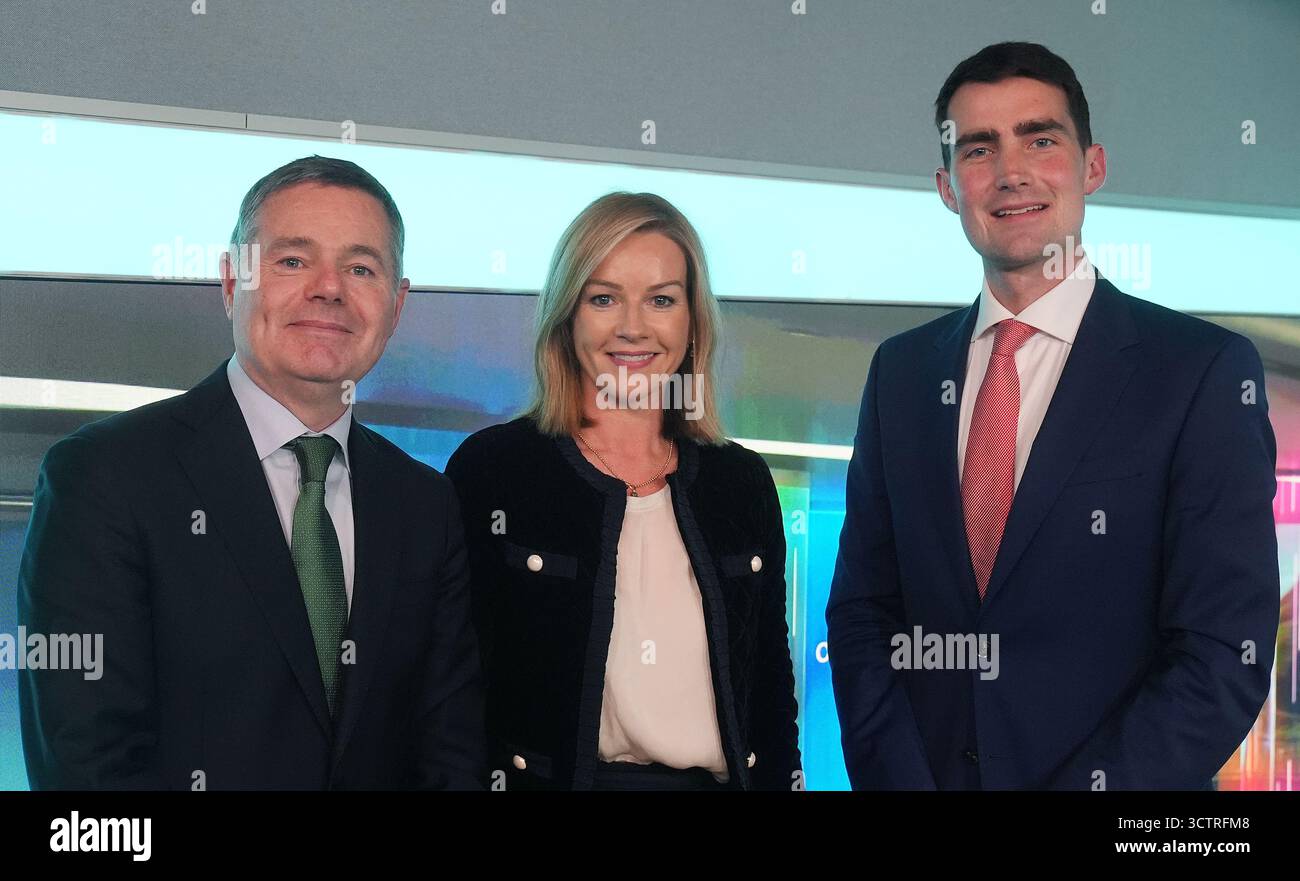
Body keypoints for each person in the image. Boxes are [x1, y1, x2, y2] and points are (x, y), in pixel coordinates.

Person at [827, 42, 1279, 790]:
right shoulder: (902, 375)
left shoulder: (1199, 371)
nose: (1011, 173)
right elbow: (863, 617)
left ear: (1092, 165)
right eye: (979, 149)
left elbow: (1219, 653)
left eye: (1041, 139)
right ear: (946, 186)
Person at [19, 156, 485, 789]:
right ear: (230, 282)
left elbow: (449, 753)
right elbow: (88, 773)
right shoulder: (104, 478)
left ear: (396, 305)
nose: (329, 289)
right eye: (292, 260)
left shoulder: (425, 503)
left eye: (361, 267)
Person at [446, 192, 801, 791]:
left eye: (661, 300)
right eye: (604, 298)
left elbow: (771, 692)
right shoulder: (495, 469)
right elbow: (450, 691)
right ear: (569, 316)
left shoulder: (740, 482)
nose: (633, 327)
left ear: (692, 323)